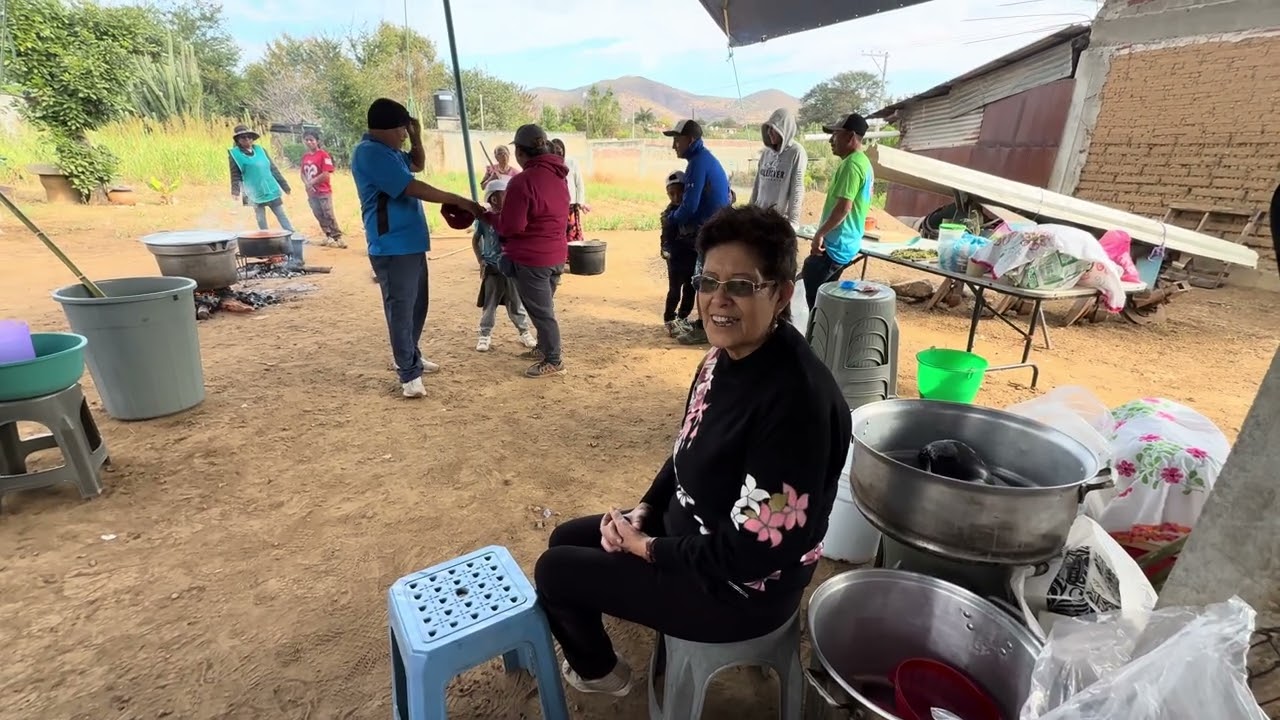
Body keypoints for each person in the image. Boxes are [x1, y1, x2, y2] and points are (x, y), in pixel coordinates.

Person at [534, 204, 852, 695]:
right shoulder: (721, 358)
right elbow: (687, 447)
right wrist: (645, 508)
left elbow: (752, 552)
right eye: (708, 282)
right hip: (694, 533)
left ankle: (601, 674)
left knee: (555, 572)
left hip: (741, 590)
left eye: (742, 285)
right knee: (566, 538)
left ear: (783, 294)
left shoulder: (797, 406)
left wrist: (648, 548)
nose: (718, 300)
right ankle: (612, 634)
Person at [350, 97, 484, 398]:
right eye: (401, 129)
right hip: (391, 245)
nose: (403, 135)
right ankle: (409, 374)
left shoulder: (391, 151)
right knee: (401, 309)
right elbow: (413, 187)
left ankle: (411, 355)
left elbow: (418, 165)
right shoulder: (370, 153)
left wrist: (417, 137)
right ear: (384, 128)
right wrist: (460, 200)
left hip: (409, 242)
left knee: (416, 305)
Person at [484, 124, 571, 379]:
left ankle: (554, 359)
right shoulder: (559, 175)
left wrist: (489, 217)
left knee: (542, 313)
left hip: (533, 258)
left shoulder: (522, 181)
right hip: (556, 255)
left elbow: (512, 226)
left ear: (521, 153)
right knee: (544, 307)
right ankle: (544, 348)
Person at [662, 119, 731, 346]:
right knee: (704, 278)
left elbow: (689, 207)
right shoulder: (704, 160)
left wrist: (671, 219)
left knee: (702, 279)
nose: (674, 146)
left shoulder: (697, 163)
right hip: (716, 227)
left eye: (677, 140)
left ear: (690, 140)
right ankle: (704, 323)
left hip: (710, 231)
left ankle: (704, 328)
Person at [802, 113, 875, 310]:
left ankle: (817, 339)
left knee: (817, 303)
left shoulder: (852, 165)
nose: (830, 140)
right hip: (845, 243)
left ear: (850, 137)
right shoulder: (863, 162)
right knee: (826, 300)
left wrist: (820, 234)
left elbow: (844, 208)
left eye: (835, 134)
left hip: (834, 246)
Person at [472, 177, 538, 353]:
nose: (509, 198)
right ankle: (484, 334)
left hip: (511, 266)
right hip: (493, 267)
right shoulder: (485, 220)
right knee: (490, 302)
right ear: (493, 199)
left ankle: (524, 332)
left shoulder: (513, 217)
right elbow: (476, 239)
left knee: (515, 302)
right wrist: (481, 260)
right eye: (504, 195)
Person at [228, 125, 295, 232]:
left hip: (269, 187)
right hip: (253, 190)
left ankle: (292, 234)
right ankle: (265, 237)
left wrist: (285, 186)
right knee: (260, 217)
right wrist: (235, 191)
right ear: (238, 140)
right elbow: (235, 174)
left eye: (249, 137)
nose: (247, 140)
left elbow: (273, 168)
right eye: (243, 138)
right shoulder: (235, 154)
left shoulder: (261, 150)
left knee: (280, 213)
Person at [749, 108, 807, 227]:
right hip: (759, 216)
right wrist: (749, 211)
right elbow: (757, 184)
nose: (769, 132)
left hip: (778, 221)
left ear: (784, 129)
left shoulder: (796, 152)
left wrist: (793, 222)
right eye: (768, 128)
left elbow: (797, 188)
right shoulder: (766, 153)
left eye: (773, 128)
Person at [660, 170, 696, 337]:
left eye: (679, 193)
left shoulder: (693, 210)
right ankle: (669, 318)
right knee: (674, 290)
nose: (675, 198)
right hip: (675, 258)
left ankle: (682, 317)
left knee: (690, 289)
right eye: (671, 194)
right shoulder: (669, 214)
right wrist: (665, 249)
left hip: (692, 255)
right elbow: (666, 235)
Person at [300, 130, 346, 248]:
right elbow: (302, 173)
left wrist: (312, 182)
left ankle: (338, 237)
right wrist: (307, 184)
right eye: (306, 140)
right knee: (318, 214)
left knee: (328, 213)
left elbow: (326, 174)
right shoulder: (305, 157)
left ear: (317, 141)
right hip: (311, 193)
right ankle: (328, 235)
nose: (309, 142)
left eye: (311, 140)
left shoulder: (324, 155)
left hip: (323, 191)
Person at [550, 138, 590, 243]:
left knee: (572, 232)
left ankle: (573, 255)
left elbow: (579, 183)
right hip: (556, 207)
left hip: (571, 205)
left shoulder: (572, 162)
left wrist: (581, 202)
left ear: (563, 150)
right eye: (554, 150)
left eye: (559, 149)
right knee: (558, 232)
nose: (558, 152)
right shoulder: (549, 166)